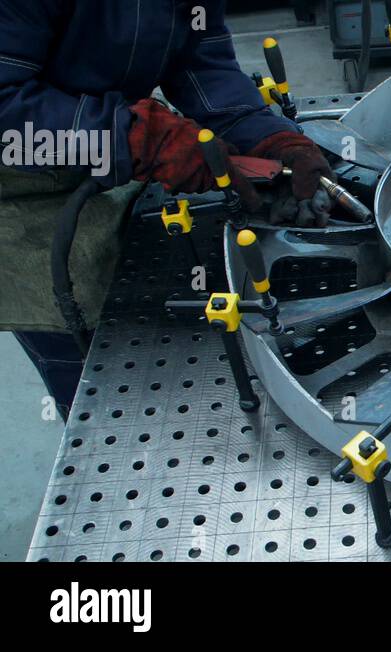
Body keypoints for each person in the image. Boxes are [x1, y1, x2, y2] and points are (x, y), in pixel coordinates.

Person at [0, 1, 335, 419]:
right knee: (96, 390)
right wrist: (138, 138)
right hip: (22, 207)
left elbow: (199, 60)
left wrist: (268, 137)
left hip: (112, 168)